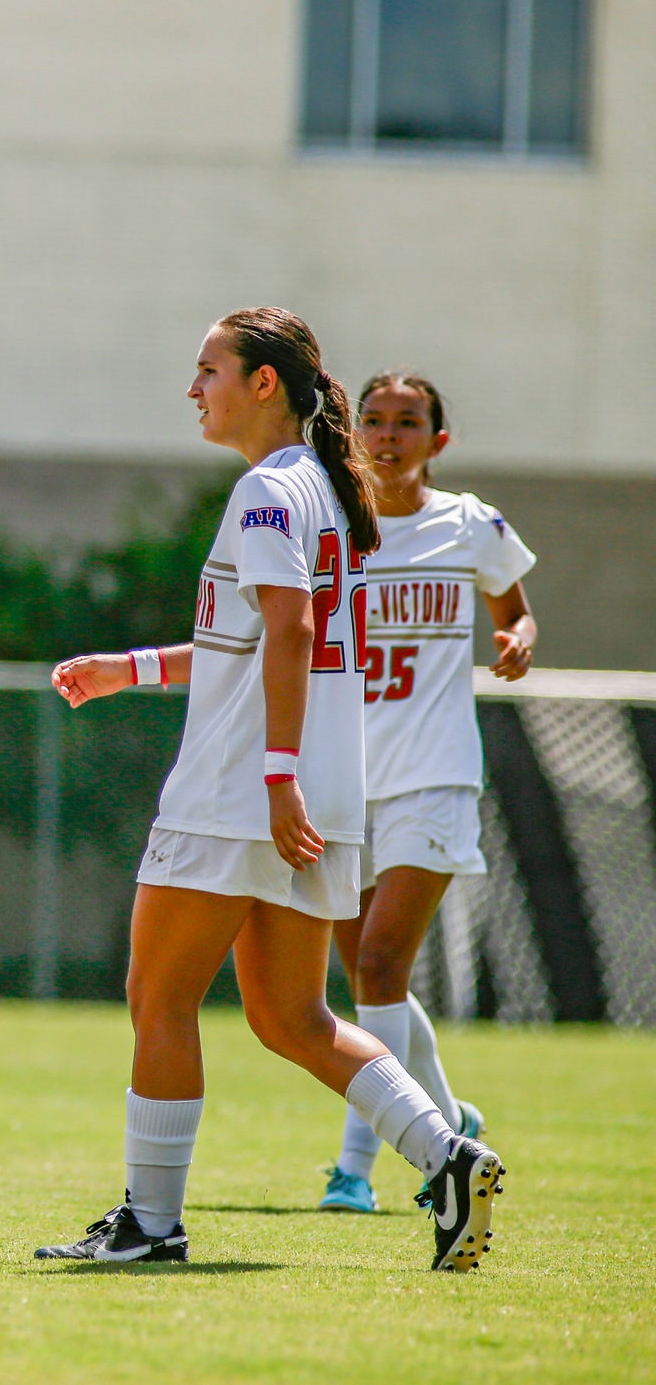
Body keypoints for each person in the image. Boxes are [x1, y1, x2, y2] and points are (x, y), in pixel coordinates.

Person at [38, 309, 503, 1273]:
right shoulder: (327, 489)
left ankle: (151, 1224)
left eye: (207, 369)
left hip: (241, 793)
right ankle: (448, 1154)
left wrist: (274, 777)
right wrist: (131, 666)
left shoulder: (266, 489)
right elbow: (246, 644)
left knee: (156, 998)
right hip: (320, 792)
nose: (192, 387)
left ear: (262, 384)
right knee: (293, 1019)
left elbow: (288, 633)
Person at [316, 373, 534, 1213]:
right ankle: (448, 1119)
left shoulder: (467, 523)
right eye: (371, 419)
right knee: (369, 984)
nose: (387, 434)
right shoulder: (332, 526)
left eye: (407, 422)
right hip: (343, 776)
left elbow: (514, 612)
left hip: (434, 774)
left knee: (378, 963)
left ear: (436, 441)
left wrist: (515, 638)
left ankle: (357, 1167)